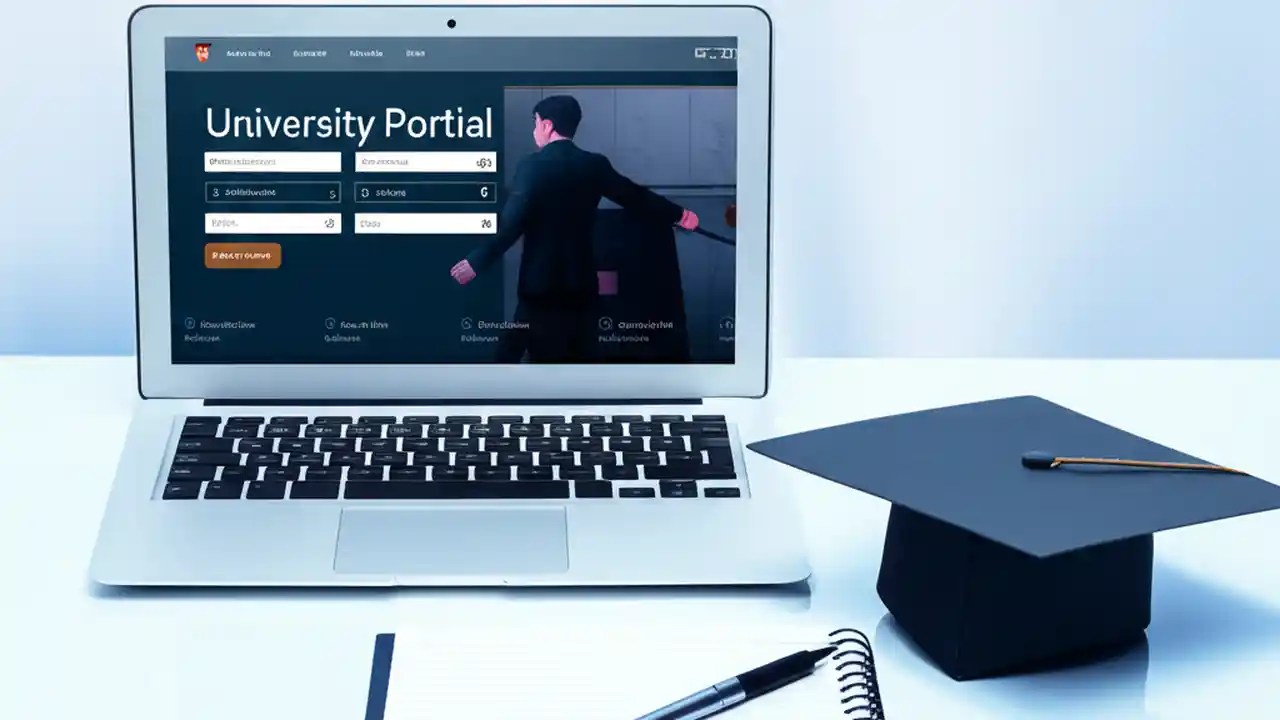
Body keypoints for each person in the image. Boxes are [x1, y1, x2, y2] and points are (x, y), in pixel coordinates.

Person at [450, 95, 698, 362]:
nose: (534, 131)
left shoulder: (531, 166)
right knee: (581, 360)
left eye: (535, 123)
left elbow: (510, 226)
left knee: (515, 354)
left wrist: (476, 261)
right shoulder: (594, 165)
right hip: (581, 284)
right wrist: (680, 215)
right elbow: (636, 197)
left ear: (546, 125)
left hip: (540, 286)